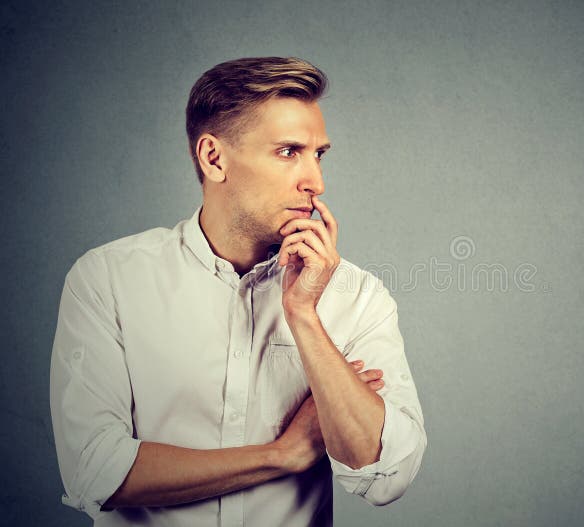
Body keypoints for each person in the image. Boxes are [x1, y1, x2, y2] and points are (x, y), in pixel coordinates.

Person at [49, 56, 427, 526]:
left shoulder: (358, 296)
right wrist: (280, 455)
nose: (316, 182)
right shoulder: (107, 279)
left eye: (319, 154)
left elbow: (387, 477)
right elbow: (95, 471)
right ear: (214, 158)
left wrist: (304, 315)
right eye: (289, 151)